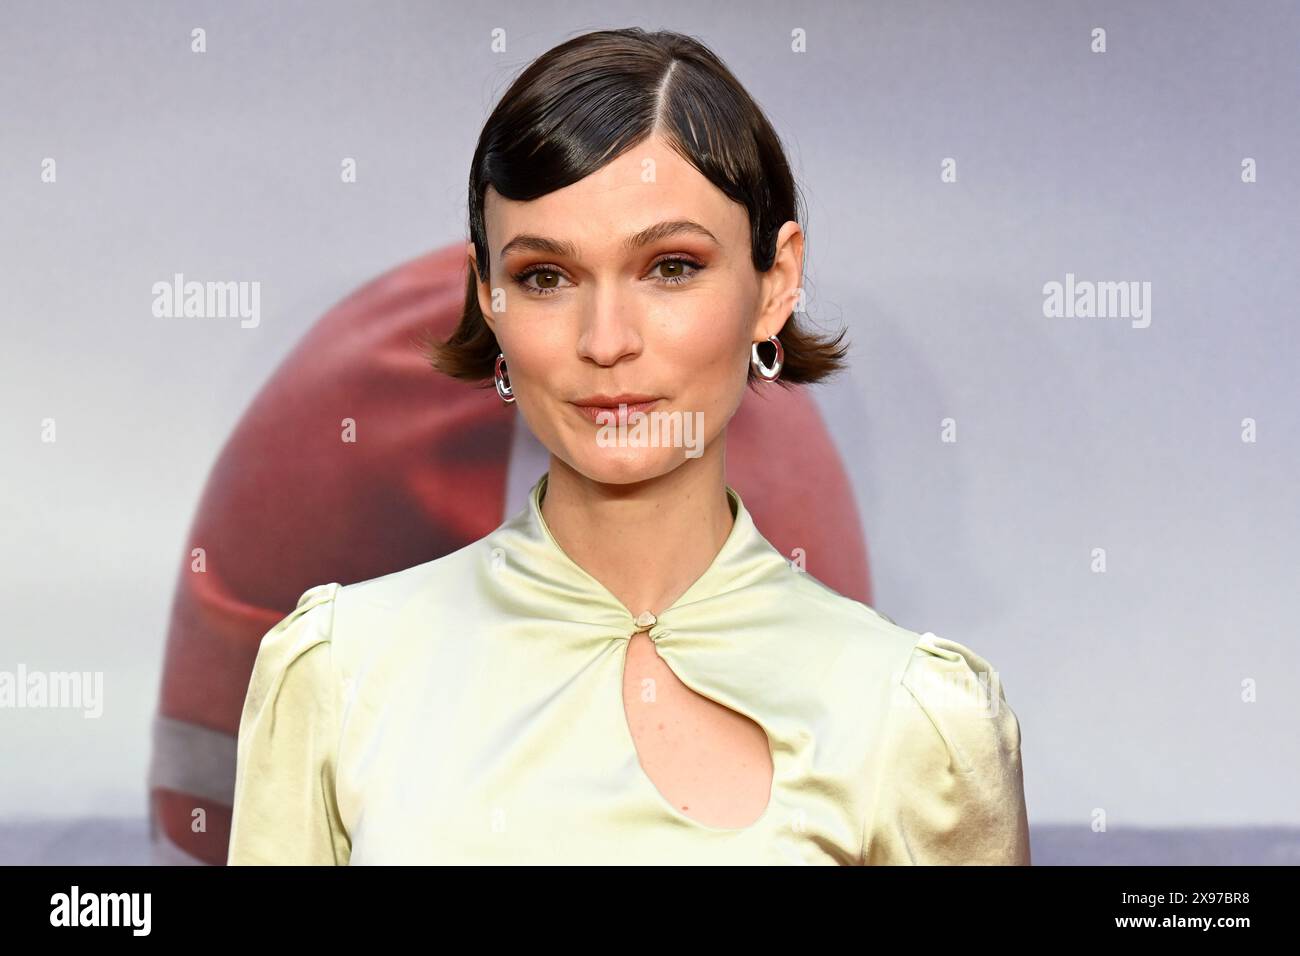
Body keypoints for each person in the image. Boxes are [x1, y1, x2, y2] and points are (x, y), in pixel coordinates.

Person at [226, 26, 1030, 865]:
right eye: (546, 276)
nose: (605, 341)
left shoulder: (914, 721)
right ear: (488, 299)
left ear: (775, 283)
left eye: (671, 267)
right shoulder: (336, 673)